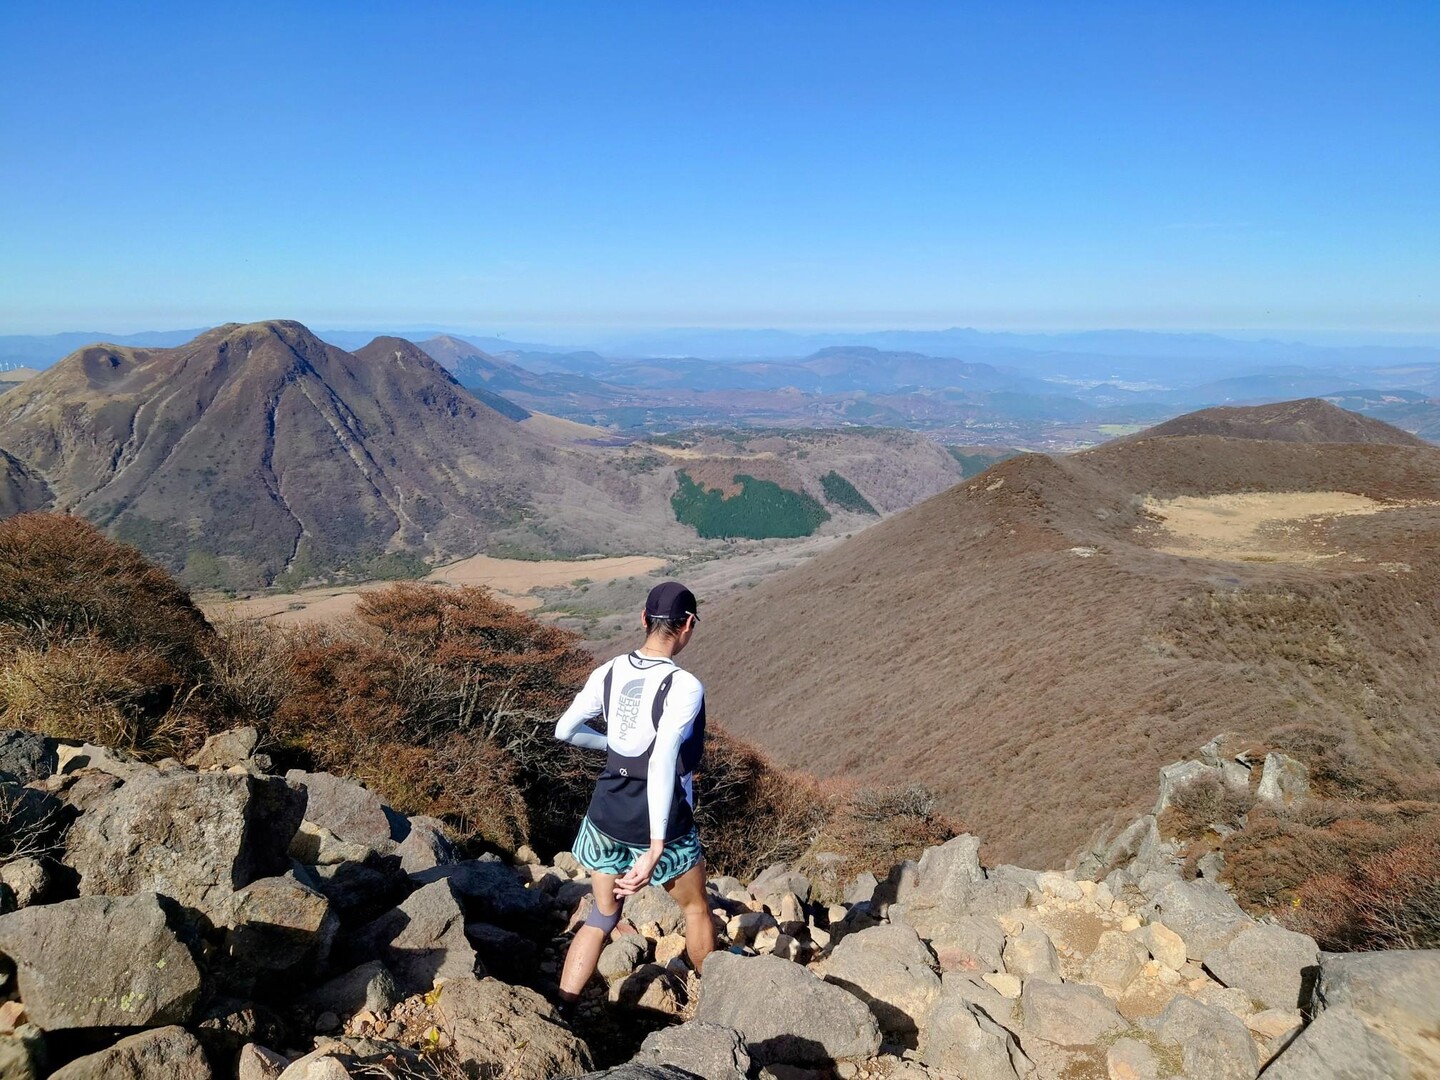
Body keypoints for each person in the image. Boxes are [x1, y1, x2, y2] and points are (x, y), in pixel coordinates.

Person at [552, 580, 714, 1004]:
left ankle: (563, 1005)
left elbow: (564, 730)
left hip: (606, 815)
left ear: (644, 619)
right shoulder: (684, 685)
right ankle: (716, 994)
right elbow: (661, 761)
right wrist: (656, 848)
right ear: (688, 624)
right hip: (664, 825)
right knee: (695, 908)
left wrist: (614, 746)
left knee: (602, 915)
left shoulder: (608, 671)